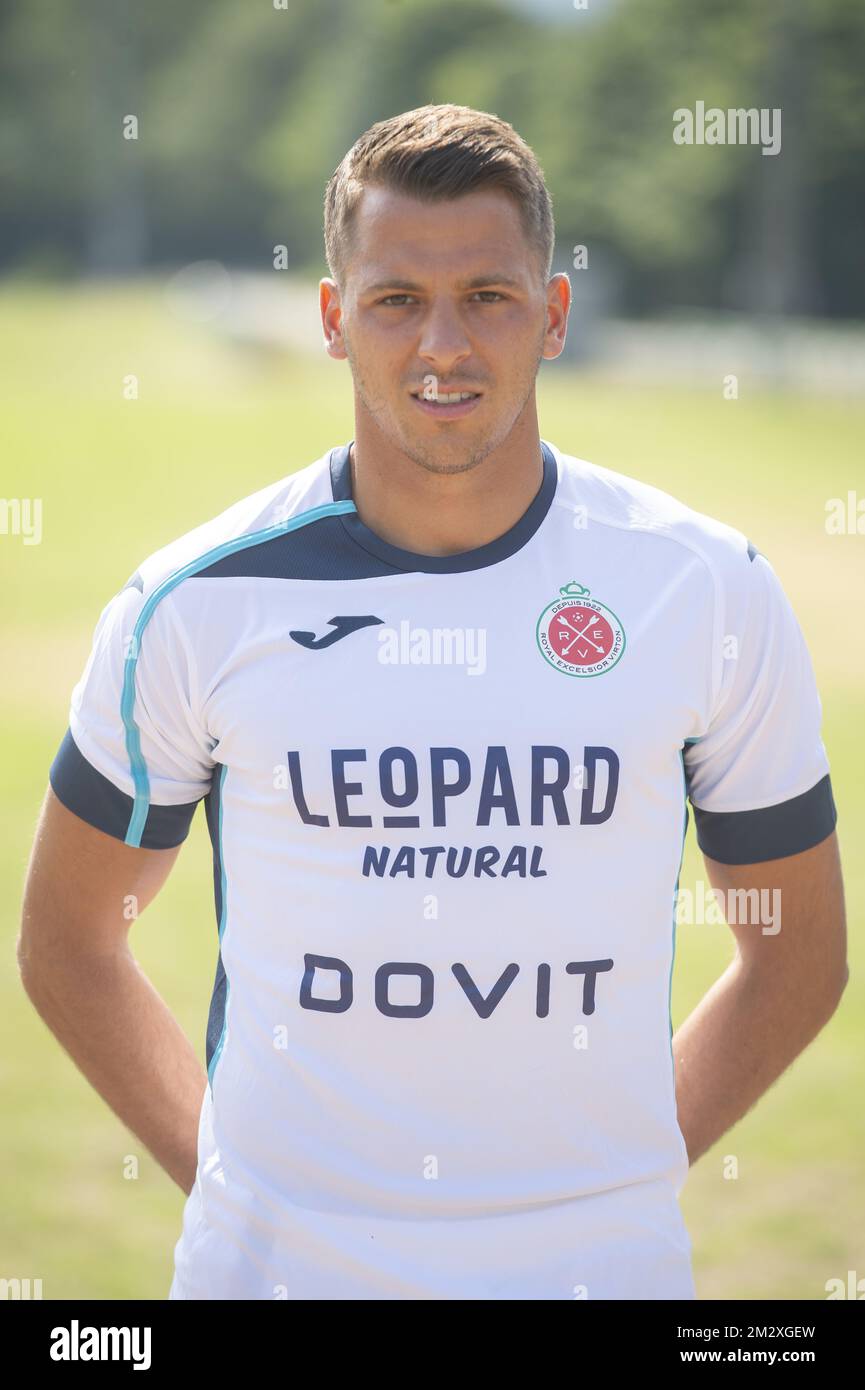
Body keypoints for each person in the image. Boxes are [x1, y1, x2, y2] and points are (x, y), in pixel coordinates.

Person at [18, 104, 847, 1300]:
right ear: (332, 317)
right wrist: (237, 1186)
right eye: (397, 299)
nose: (442, 345)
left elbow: (797, 955)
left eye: (488, 297)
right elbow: (68, 942)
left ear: (552, 315)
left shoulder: (703, 588)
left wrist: (617, 1179)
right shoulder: (195, 604)